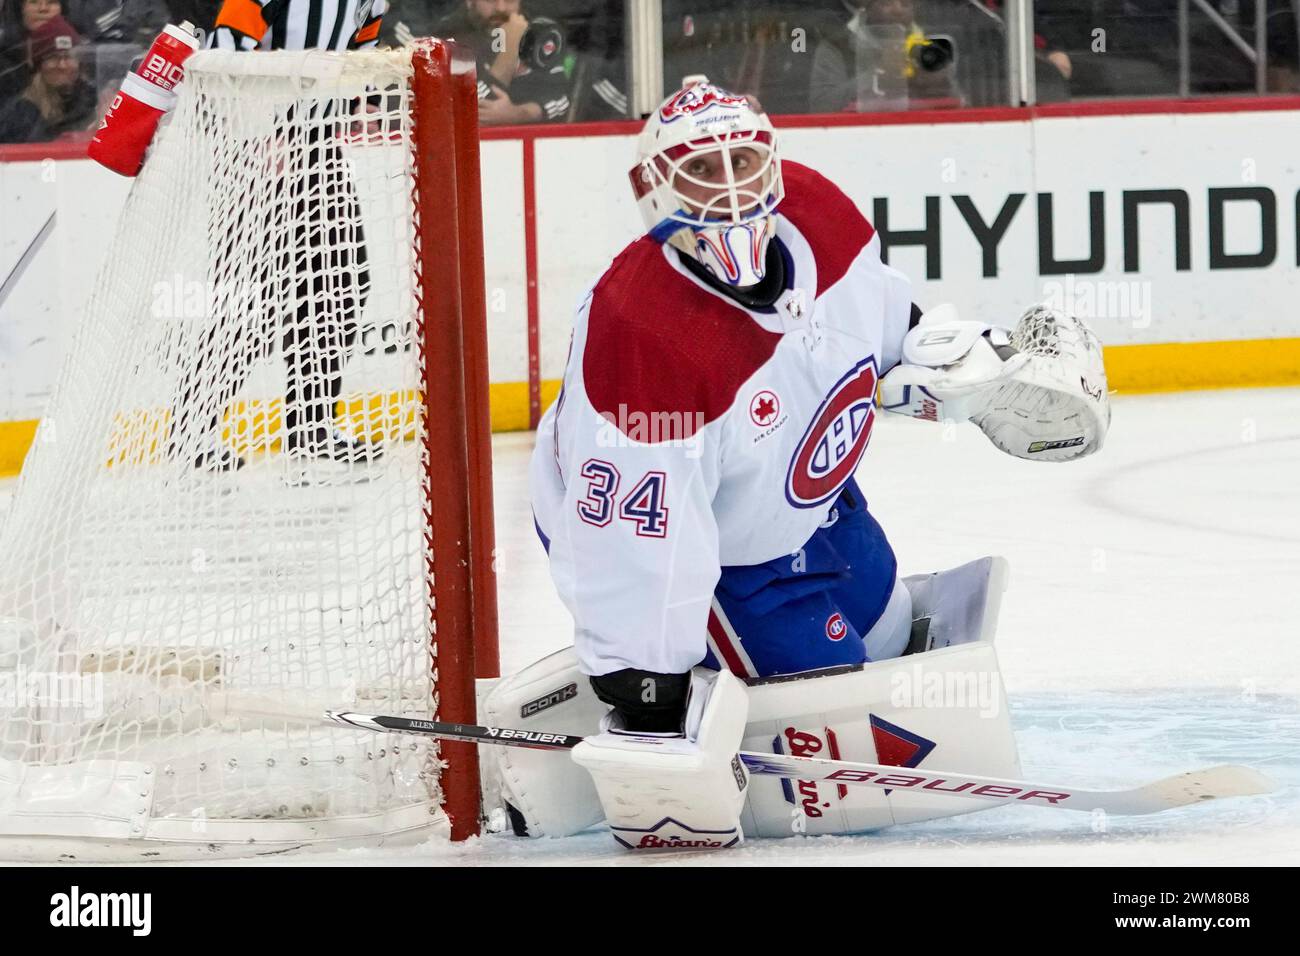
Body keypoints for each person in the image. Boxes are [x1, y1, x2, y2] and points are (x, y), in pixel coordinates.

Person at [485, 77, 1110, 850]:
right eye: (703, 171)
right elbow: (632, 548)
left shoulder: (819, 214)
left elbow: (864, 322)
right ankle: (622, 695)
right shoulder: (643, 339)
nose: (732, 188)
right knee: (835, 704)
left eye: (745, 162)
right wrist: (646, 698)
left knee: (884, 641)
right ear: (653, 188)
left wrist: (931, 367)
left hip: (810, 504)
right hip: (720, 564)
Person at [169, 0, 389, 471]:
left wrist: (365, 101)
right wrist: (256, 131)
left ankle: (312, 429)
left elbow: (359, 56)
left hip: (319, 150)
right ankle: (192, 431)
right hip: (254, 146)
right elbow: (224, 54)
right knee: (252, 296)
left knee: (342, 284)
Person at [430, 0, 570, 125]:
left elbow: (561, 97)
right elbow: (472, 108)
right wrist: (509, 50)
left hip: (532, 141)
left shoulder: (536, 31)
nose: (501, 8)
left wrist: (518, 114)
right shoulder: (448, 37)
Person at [0, 15, 96, 142]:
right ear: (39, 65)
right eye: (53, 57)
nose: (62, 65)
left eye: (68, 57)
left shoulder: (92, 101)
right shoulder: (20, 115)